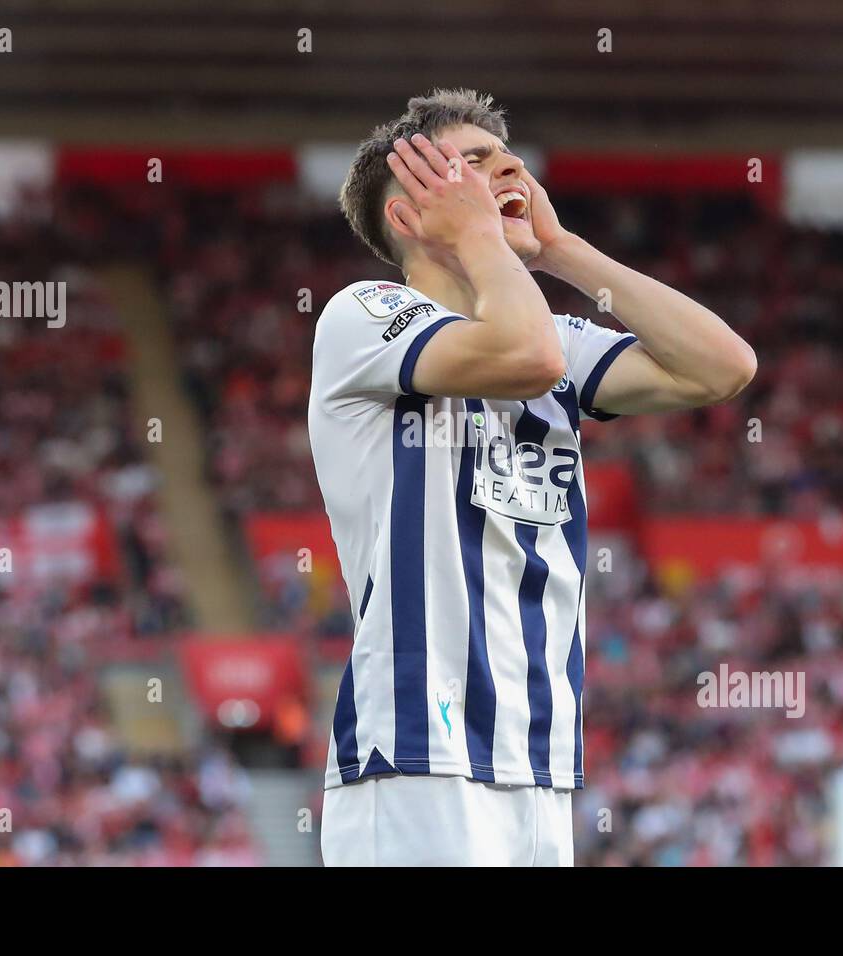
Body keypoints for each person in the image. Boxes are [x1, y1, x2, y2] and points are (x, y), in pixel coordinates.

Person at [309, 88, 755, 865]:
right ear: (410, 213)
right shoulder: (366, 315)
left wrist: (560, 251)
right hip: (419, 745)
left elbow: (723, 366)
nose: (510, 169)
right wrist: (485, 237)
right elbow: (529, 358)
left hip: (538, 757)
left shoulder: (552, 335)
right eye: (474, 164)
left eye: (508, 158)